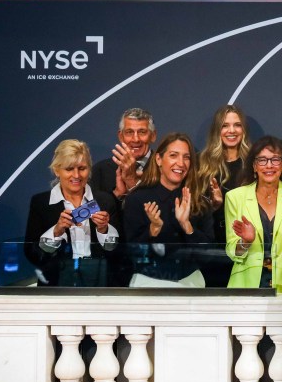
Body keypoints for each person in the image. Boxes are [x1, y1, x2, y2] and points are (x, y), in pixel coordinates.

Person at [24, 139, 119, 286]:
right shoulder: (41, 203)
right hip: (57, 282)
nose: (76, 175)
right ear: (57, 170)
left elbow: (118, 253)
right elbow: (32, 254)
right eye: (69, 169)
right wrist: (56, 231)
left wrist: (103, 230)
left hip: (99, 282)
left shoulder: (105, 201)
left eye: (82, 168)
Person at [123, 133, 214, 282]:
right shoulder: (137, 199)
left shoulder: (200, 202)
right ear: (159, 159)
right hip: (148, 282)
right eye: (173, 155)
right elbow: (130, 255)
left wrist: (187, 225)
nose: (181, 163)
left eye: (186, 157)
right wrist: (153, 230)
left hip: (190, 282)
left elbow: (208, 256)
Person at [225, 136, 282, 292]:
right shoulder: (235, 197)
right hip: (245, 285)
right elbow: (232, 251)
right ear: (254, 166)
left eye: (275, 160)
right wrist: (245, 242)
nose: (269, 165)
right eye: (262, 160)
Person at [193, 104, 251, 243]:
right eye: (225, 125)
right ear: (217, 130)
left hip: (248, 241)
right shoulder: (201, 163)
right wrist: (213, 207)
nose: (231, 130)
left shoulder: (253, 162)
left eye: (237, 125)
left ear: (243, 130)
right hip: (212, 241)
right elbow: (192, 211)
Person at [90, 108, 157, 204]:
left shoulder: (164, 169)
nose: (136, 139)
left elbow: (167, 213)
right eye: (129, 132)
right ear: (120, 136)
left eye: (142, 132)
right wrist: (116, 194)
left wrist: (132, 183)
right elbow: (84, 213)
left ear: (153, 136)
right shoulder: (100, 170)